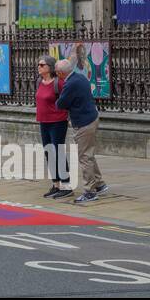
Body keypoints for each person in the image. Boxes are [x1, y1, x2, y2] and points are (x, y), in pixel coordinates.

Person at [55, 58, 106, 204]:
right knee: (88, 154)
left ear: (59, 73)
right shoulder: (80, 77)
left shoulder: (70, 83)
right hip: (91, 118)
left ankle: (90, 191)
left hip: (84, 122)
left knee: (84, 157)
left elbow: (61, 103)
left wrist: (57, 101)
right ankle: (99, 184)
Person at [35, 56, 72, 199]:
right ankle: (56, 184)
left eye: (42, 65)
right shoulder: (39, 82)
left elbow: (67, 99)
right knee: (48, 152)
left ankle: (66, 185)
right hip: (43, 122)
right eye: (38, 64)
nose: (39, 67)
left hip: (57, 122)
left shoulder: (59, 83)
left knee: (58, 151)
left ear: (50, 67)